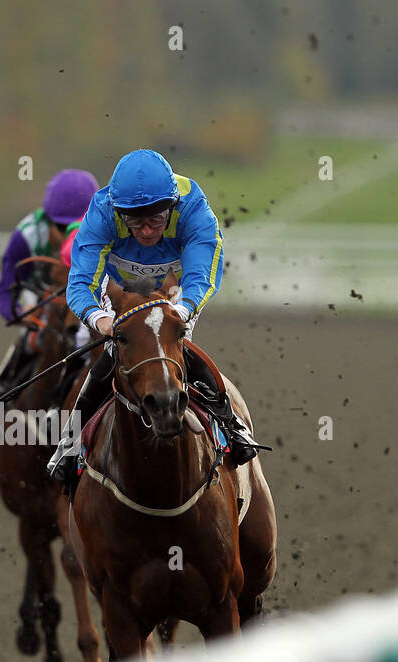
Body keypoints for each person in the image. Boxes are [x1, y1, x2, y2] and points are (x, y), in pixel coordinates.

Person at [45, 148, 254, 489]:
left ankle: (232, 425)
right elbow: (81, 284)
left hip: (176, 287)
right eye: (134, 221)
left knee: (174, 347)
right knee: (113, 355)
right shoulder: (103, 211)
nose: (145, 230)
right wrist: (101, 321)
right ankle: (69, 446)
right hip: (121, 290)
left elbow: (201, 276)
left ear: (171, 207)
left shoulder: (193, 209)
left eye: (156, 220)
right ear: (118, 212)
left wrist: (180, 313)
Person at [0, 169, 98, 405]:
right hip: (41, 302)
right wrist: (19, 313)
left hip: (91, 304)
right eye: (62, 227)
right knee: (30, 338)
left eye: (80, 226)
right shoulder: (27, 236)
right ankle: (1, 394)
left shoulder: (108, 231)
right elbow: (5, 292)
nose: (72, 236)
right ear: (47, 220)